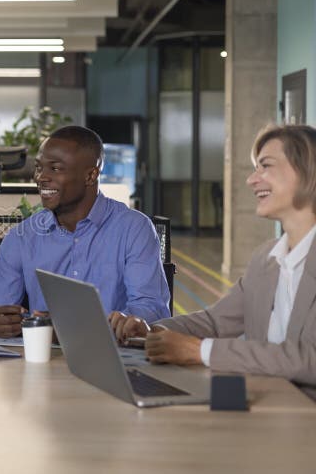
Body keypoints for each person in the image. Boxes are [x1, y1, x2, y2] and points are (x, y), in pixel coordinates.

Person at [110, 124, 316, 386]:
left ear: (308, 171)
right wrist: (152, 330)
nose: (252, 179)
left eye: (266, 166)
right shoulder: (266, 259)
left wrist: (200, 351)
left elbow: (311, 358)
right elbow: (215, 322)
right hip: (269, 407)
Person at [0, 125, 170, 338]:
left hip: (113, 357)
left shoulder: (134, 229)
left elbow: (153, 309)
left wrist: (124, 323)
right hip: (43, 358)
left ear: (90, 176)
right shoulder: (21, 237)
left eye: (55, 168)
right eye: (39, 167)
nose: (41, 177)